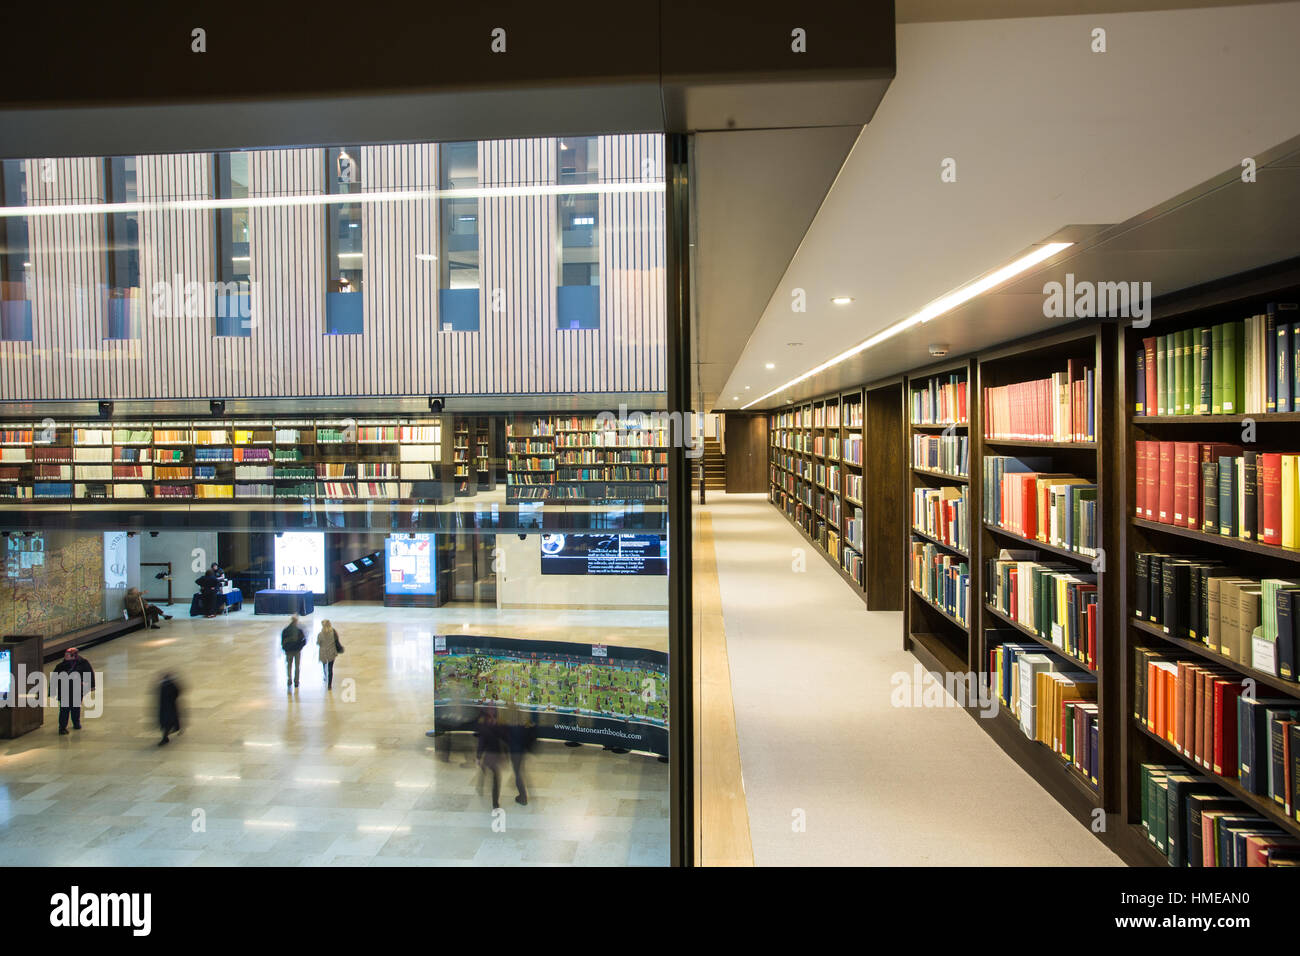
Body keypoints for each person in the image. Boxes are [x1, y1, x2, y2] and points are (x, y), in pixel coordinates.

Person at [52, 647, 95, 735]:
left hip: (77, 690)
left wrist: (91, 685)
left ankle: (76, 723)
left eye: (67, 655)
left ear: (73, 656)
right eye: (65, 655)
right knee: (64, 709)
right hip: (64, 690)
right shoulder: (61, 666)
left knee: (76, 707)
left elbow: (89, 673)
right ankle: (62, 727)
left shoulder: (83, 663)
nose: (65, 657)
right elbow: (54, 678)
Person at [503, 703, 535, 806]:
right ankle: (526, 792)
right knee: (521, 771)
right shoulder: (524, 723)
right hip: (522, 751)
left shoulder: (509, 726)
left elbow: (506, 739)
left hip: (515, 752)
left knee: (518, 774)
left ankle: (523, 797)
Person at [281, 615, 307, 690]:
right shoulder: (299, 631)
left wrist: (284, 648)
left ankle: (289, 679)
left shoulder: (286, 630)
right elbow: (304, 641)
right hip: (297, 651)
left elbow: (282, 641)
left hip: (288, 651)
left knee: (289, 665)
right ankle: (296, 681)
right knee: (297, 666)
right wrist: (300, 647)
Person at [316, 619, 342, 690]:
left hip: (323, 653)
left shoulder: (320, 634)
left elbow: (318, 643)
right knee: (330, 668)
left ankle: (325, 674)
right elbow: (337, 641)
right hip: (331, 652)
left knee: (324, 665)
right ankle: (329, 685)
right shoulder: (333, 632)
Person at [157, 673, 182, 745]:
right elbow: (177, 693)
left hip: (167, 708)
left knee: (167, 724)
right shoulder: (170, 685)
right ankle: (166, 737)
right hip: (169, 707)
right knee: (168, 723)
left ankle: (165, 738)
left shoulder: (163, 686)